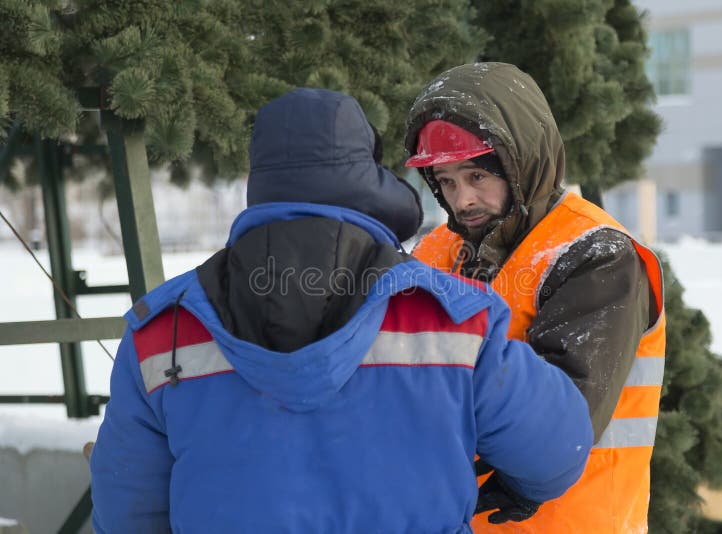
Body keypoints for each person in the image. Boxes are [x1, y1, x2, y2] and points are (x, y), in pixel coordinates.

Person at [89, 87, 593, 533]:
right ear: (365, 178)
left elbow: (127, 510)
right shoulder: (453, 318)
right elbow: (556, 452)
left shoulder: (165, 332)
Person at [406, 62, 666, 533]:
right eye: (445, 181)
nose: (462, 199)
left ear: (521, 162)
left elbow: (565, 409)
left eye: (477, 176)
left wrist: (523, 479)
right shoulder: (435, 253)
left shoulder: (594, 254)